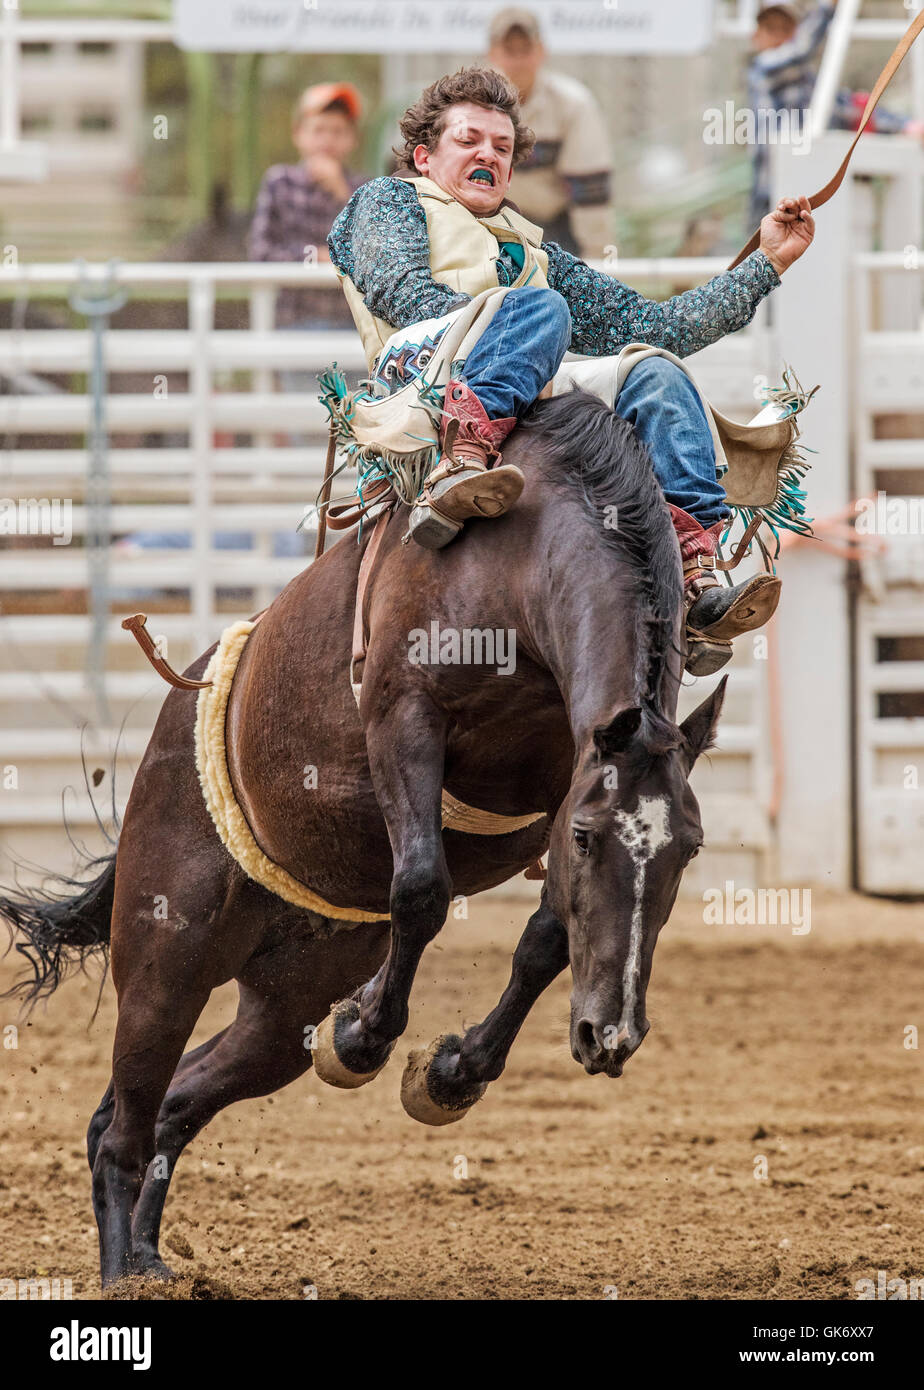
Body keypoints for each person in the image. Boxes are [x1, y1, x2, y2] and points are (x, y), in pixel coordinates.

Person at [327, 67, 816, 674]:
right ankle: (458, 458)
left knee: (654, 370)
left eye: (502, 148)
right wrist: (512, 320)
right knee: (540, 308)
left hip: (525, 373)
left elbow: (659, 327)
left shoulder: (534, 250)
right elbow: (399, 290)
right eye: (470, 140)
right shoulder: (387, 200)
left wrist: (766, 263)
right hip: (423, 367)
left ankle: (696, 572)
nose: (489, 155)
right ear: (425, 157)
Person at [748, 3, 924, 231]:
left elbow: (849, 108)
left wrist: (904, 125)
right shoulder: (762, 70)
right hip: (771, 190)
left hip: (803, 188)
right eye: (771, 29)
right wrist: (827, 6)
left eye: (785, 29)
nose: (779, 36)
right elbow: (801, 49)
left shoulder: (810, 86)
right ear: (756, 36)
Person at [486, 6, 612, 259]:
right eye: (510, 50)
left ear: (542, 52)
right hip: (484, 225)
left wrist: (597, 261)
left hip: (551, 230)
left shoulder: (573, 104)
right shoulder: (470, 105)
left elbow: (589, 192)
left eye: (526, 49)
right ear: (492, 54)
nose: (518, 60)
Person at [249, 82, 367, 337]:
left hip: (355, 326)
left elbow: (374, 253)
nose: (327, 140)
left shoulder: (363, 188)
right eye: (319, 129)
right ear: (298, 134)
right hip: (294, 322)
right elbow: (261, 252)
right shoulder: (280, 182)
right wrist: (317, 256)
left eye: (337, 131)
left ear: (352, 139)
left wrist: (341, 193)